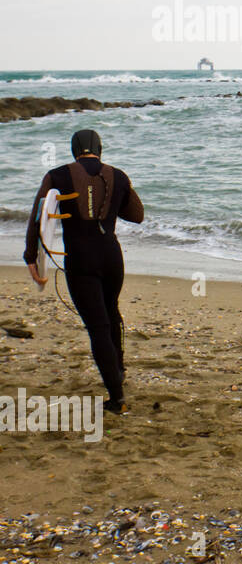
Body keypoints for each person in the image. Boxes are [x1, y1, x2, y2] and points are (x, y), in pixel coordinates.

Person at [23, 129, 144, 413]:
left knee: (98, 327)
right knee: (111, 310)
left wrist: (32, 257)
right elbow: (136, 215)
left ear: (73, 149)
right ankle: (120, 368)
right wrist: (113, 198)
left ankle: (116, 398)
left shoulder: (57, 176)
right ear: (100, 148)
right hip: (112, 257)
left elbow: (38, 217)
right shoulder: (119, 175)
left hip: (80, 259)